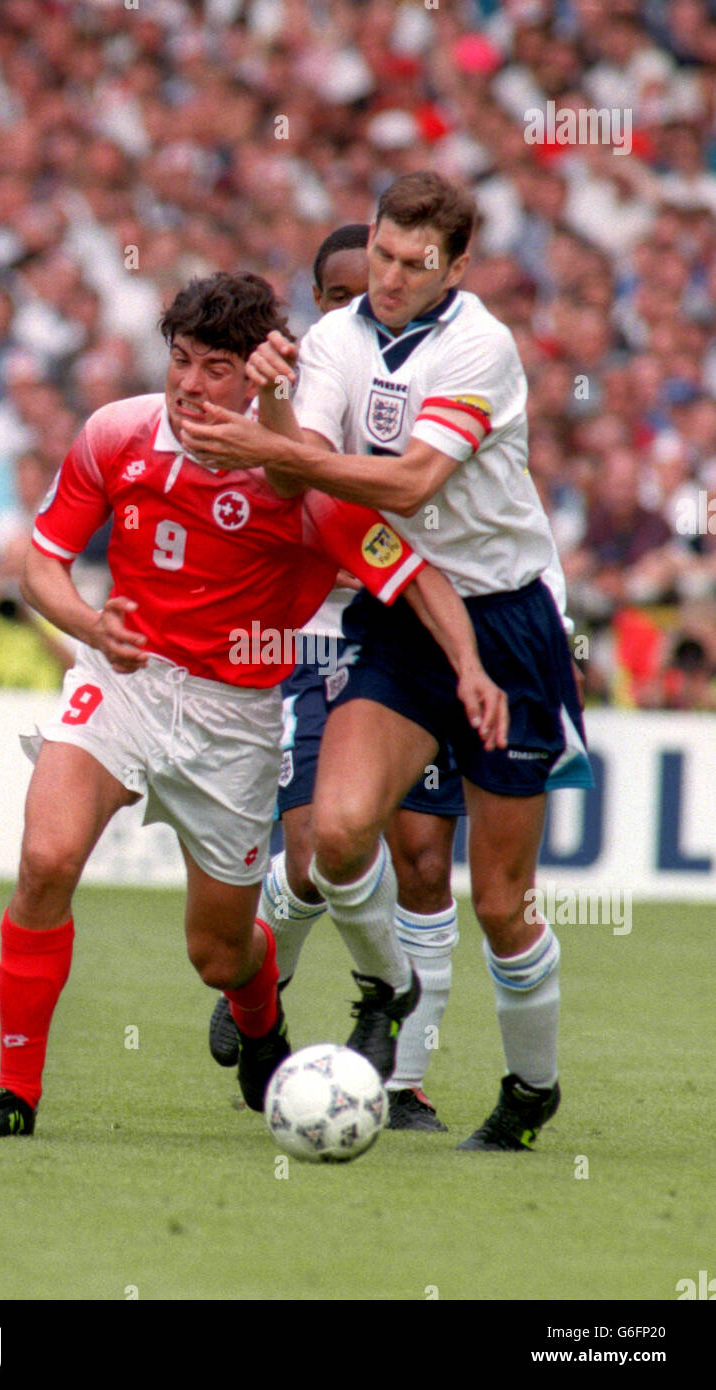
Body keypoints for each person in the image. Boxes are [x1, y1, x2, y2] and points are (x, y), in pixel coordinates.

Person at [0, 270, 508, 1138]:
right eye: (179, 360)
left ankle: (260, 1020)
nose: (189, 384)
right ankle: (14, 1092)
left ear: (256, 378)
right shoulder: (115, 433)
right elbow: (40, 565)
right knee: (47, 859)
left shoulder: (299, 483)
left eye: (216, 368)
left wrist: (470, 664)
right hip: (126, 684)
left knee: (218, 952)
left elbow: (411, 571)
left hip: (236, 720)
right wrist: (95, 626)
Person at [180, 174, 593, 1152]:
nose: (393, 275)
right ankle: (387, 988)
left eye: (417, 263)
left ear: (456, 266)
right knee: (335, 830)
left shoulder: (478, 345)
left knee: (495, 900)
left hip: (509, 626)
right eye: (382, 253)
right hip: (396, 609)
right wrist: (273, 413)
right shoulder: (332, 340)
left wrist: (261, 442)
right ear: (367, 238)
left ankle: (529, 1088)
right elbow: (296, 472)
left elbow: (408, 478)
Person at [209, 226, 467, 1133]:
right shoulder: (291, 381)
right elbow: (277, 479)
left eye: (388, 283)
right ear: (319, 299)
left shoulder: (446, 366)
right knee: (321, 843)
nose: (369, 300)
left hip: (414, 621)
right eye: (343, 291)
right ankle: (260, 967)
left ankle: (403, 1083)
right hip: (316, 629)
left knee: (427, 860)